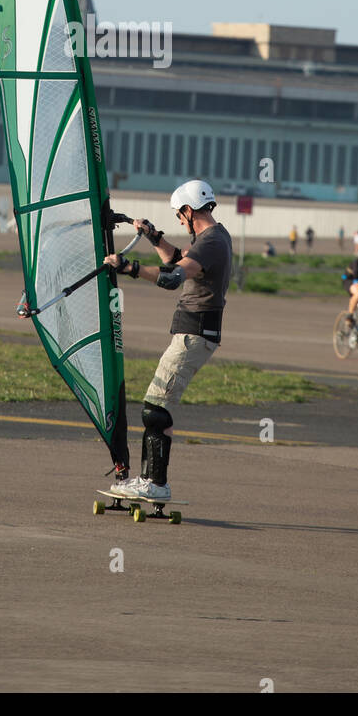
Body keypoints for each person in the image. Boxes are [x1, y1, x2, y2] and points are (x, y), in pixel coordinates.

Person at [104, 179, 232, 501]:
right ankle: (151, 481)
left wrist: (130, 268)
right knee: (158, 406)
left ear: (189, 211)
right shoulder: (213, 238)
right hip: (195, 333)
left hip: (195, 334)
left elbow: (173, 278)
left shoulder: (213, 241)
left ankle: (155, 483)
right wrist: (152, 236)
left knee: (155, 408)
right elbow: (178, 259)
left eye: (179, 215)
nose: (179, 220)